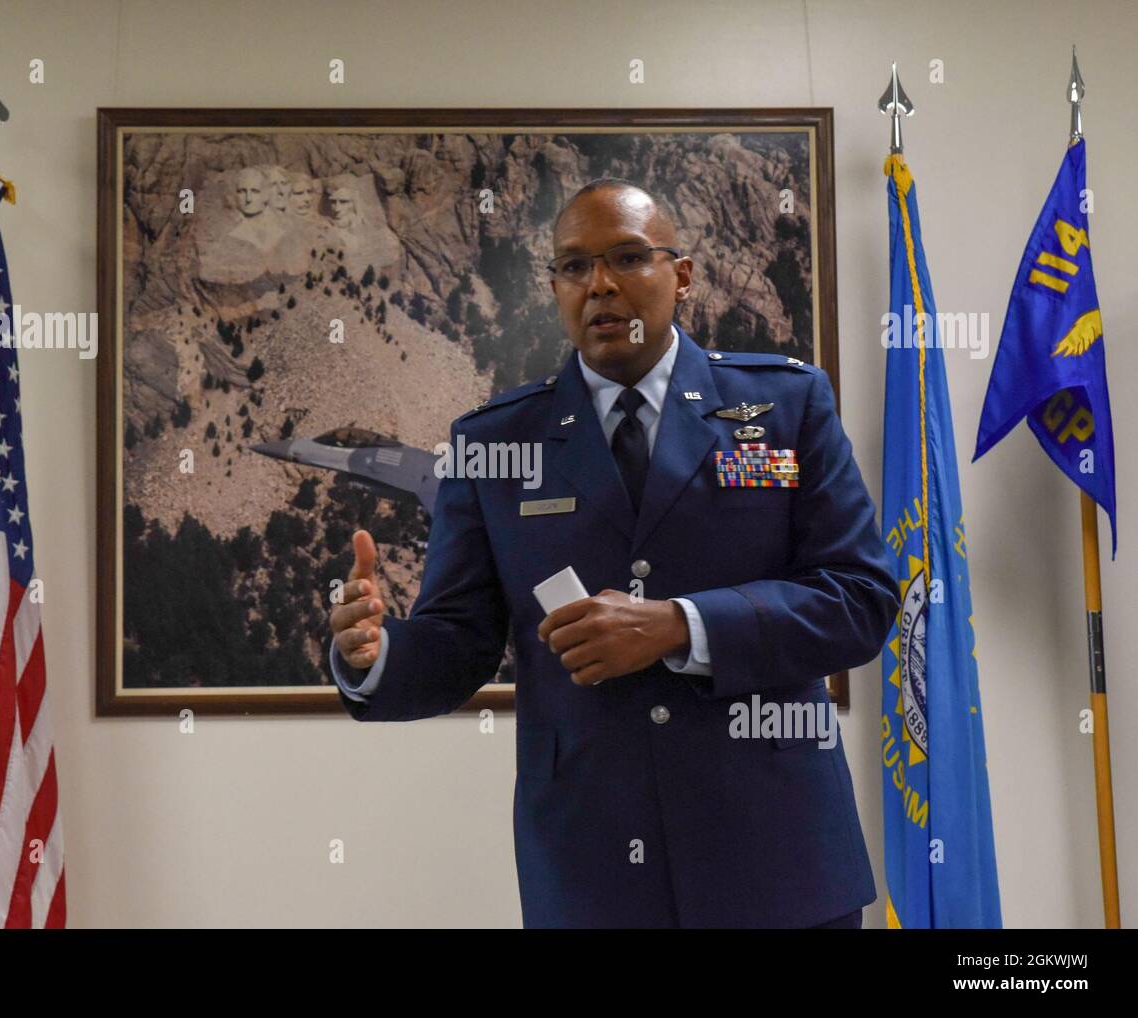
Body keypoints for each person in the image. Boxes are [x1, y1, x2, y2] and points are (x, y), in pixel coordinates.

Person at [326, 178, 900, 928]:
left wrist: (681, 626)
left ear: (682, 276)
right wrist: (374, 658)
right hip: (594, 873)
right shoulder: (494, 442)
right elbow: (459, 642)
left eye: (628, 257)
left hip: (776, 859)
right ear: (556, 286)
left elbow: (859, 598)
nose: (600, 284)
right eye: (574, 266)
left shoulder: (787, 407)